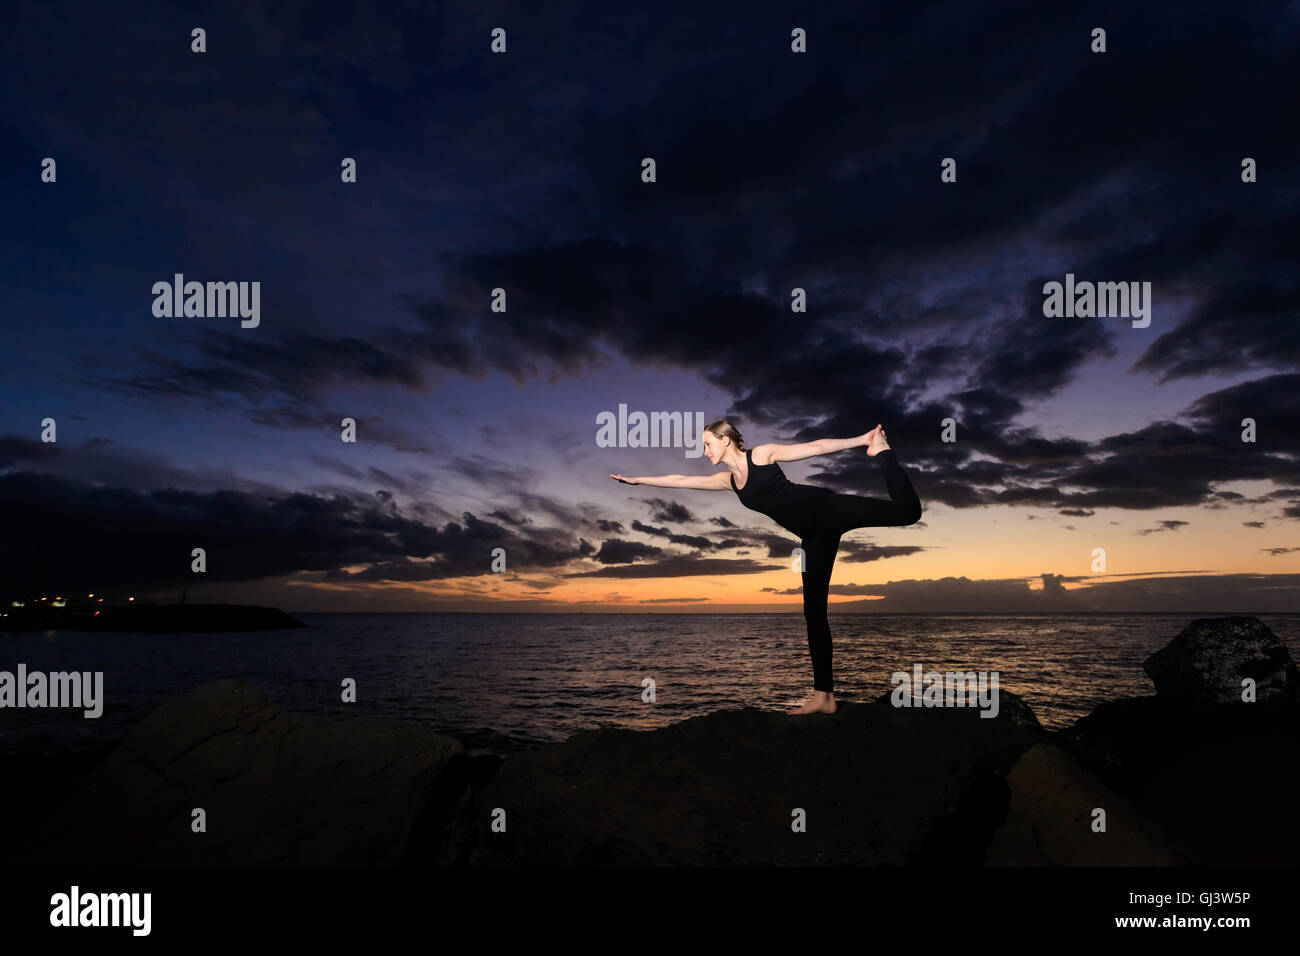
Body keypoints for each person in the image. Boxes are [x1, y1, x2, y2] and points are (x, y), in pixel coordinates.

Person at [611, 421, 922, 714]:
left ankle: (882, 451)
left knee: (908, 512)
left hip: (828, 509)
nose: (705, 451)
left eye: (708, 444)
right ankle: (823, 696)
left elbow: (815, 446)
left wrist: (864, 440)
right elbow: (680, 481)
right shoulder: (729, 481)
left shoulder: (760, 455)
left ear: (725, 439)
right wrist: (638, 480)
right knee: (813, 613)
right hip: (812, 536)